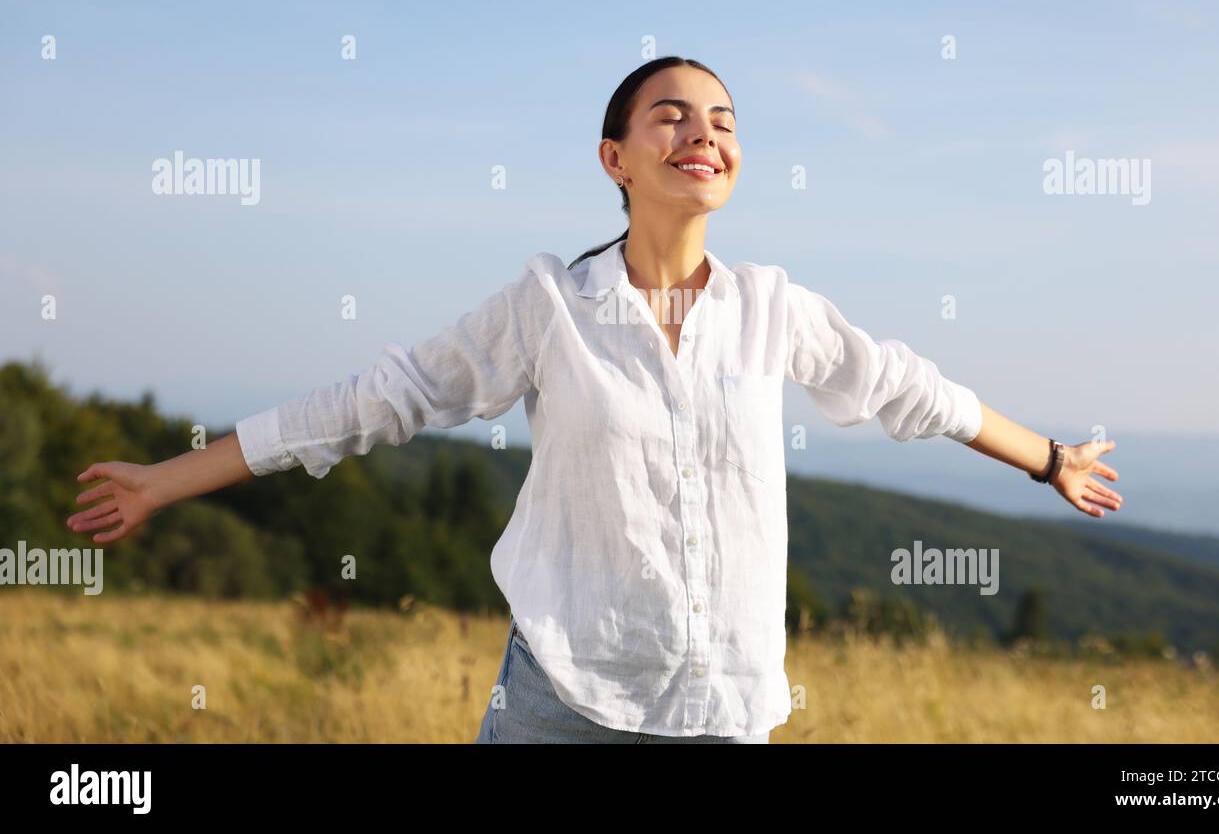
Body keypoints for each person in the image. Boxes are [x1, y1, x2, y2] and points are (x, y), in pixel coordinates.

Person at [67, 56, 1123, 744]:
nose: (702, 131)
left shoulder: (773, 307)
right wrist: (168, 478)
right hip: (556, 700)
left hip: (723, 705)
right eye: (671, 116)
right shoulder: (548, 308)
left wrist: (1049, 460)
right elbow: (376, 400)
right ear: (615, 158)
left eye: (722, 119)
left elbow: (908, 388)